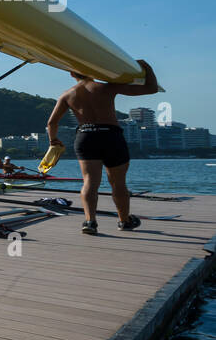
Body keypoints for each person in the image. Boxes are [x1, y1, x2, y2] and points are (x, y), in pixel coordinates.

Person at [46, 60, 160, 234]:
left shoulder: (66, 95)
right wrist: (148, 68)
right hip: (110, 136)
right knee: (118, 183)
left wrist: (53, 140)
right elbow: (151, 88)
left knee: (90, 182)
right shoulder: (107, 87)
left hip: (86, 136)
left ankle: (90, 222)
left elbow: (51, 122)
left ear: (72, 74)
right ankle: (124, 221)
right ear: (93, 70)